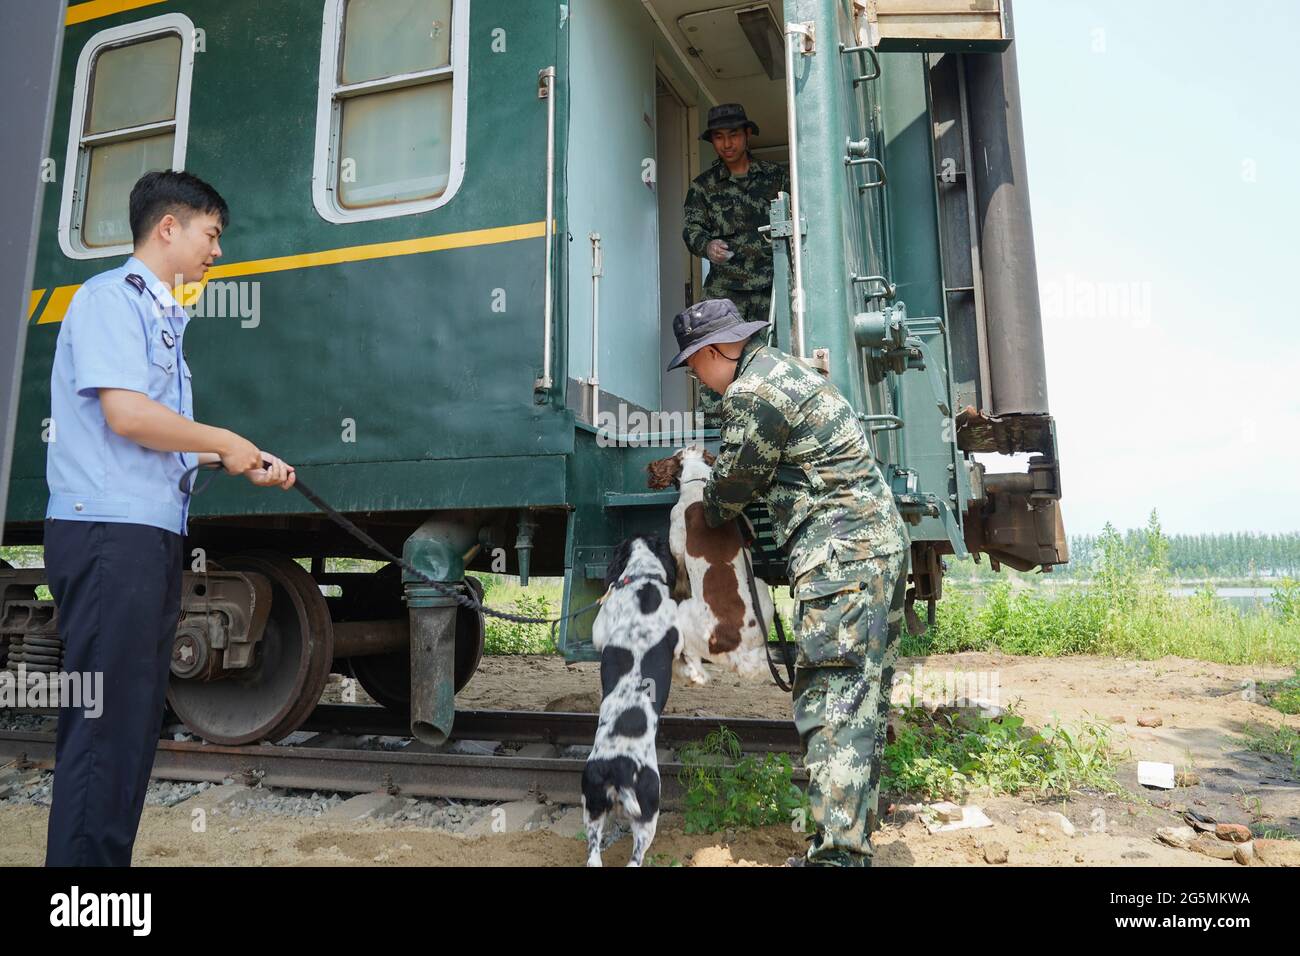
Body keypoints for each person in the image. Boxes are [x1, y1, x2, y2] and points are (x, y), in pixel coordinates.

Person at [43, 170, 295, 866]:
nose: (217, 251)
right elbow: (127, 416)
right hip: (107, 537)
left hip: (140, 538)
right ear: (169, 228)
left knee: (124, 731)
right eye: (212, 234)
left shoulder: (161, 317)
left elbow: (155, 434)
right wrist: (222, 440)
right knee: (103, 731)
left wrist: (232, 458)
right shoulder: (108, 303)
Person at [667, 298, 910, 867]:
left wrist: (698, 499)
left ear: (714, 351)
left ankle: (838, 858)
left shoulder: (752, 394)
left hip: (842, 555)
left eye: (694, 364)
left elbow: (730, 493)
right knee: (861, 699)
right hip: (874, 547)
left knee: (832, 699)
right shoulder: (786, 369)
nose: (697, 378)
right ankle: (850, 843)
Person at [682, 103, 790, 423]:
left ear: (746, 135)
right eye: (718, 137)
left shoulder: (774, 176)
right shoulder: (703, 186)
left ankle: (772, 422)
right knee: (714, 354)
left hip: (770, 287)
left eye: (733, 135)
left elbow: (795, 219)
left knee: (770, 355)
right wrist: (707, 245)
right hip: (725, 289)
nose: (726, 144)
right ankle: (717, 430)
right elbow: (692, 229)